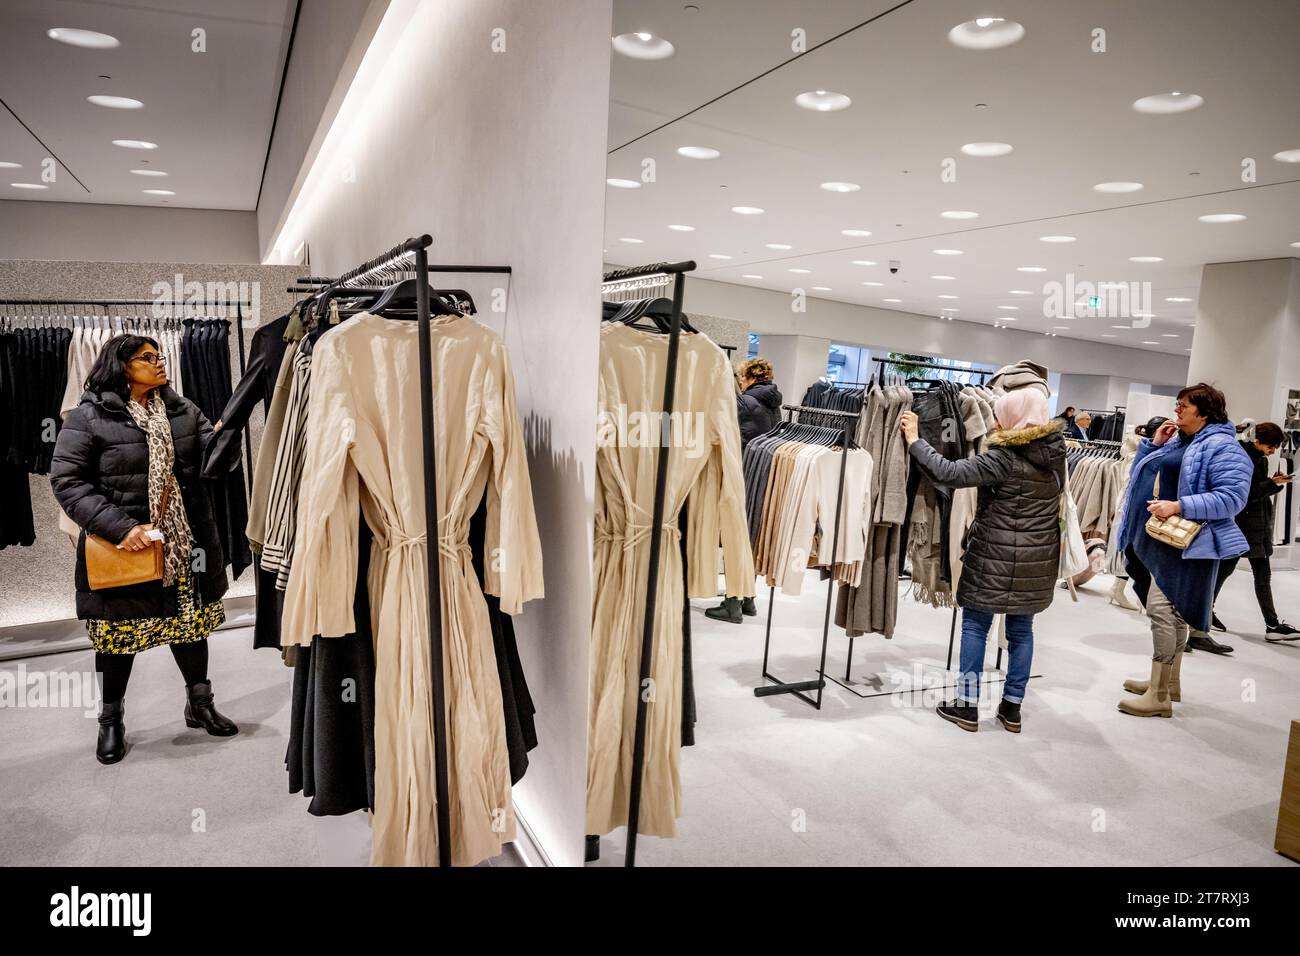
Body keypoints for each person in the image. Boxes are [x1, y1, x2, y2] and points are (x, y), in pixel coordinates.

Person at [50, 335, 237, 765]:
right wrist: (122, 527)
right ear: (121, 365)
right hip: (125, 548)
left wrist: (225, 442)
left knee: (190, 627)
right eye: (147, 358)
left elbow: (214, 466)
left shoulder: (182, 410)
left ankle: (200, 703)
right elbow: (68, 482)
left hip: (183, 545)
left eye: (160, 356)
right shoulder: (88, 417)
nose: (159, 364)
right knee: (118, 638)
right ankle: (110, 720)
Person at [900, 388, 1066, 734]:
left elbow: (947, 472)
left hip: (993, 556)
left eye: (1001, 414)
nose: (994, 420)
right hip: (1038, 561)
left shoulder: (1002, 459)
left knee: (976, 626)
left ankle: (967, 705)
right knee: (1022, 631)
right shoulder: (1055, 458)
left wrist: (916, 440)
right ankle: (1012, 708)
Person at [1115, 383, 1251, 717]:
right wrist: (1154, 445)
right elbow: (1139, 477)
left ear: (1204, 410)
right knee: (1170, 612)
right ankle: (1167, 682)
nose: (1177, 409)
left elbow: (1233, 498)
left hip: (1192, 543)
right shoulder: (1181, 439)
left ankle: (1158, 695)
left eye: (1184, 404)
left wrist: (1179, 506)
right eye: (1177, 403)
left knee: (1161, 610)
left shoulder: (1222, 446)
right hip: (1165, 540)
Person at [706, 357, 782, 623]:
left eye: (741, 376)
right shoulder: (774, 406)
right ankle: (747, 598)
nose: (739, 380)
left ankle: (732, 603)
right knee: (747, 539)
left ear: (750, 376)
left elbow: (722, 430)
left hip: (742, 475)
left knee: (733, 536)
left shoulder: (746, 402)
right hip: (762, 477)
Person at [1209, 421, 1296, 641]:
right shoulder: (1243, 458)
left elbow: (1256, 490)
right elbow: (1245, 495)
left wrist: (1273, 483)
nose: (1273, 451)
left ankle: (1272, 625)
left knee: (1257, 574)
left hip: (1256, 524)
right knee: (1226, 570)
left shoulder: (1258, 458)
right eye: (1271, 446)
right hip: (1243, 524)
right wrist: (1271, 483)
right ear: (1258, 441)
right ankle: (1205, 611)